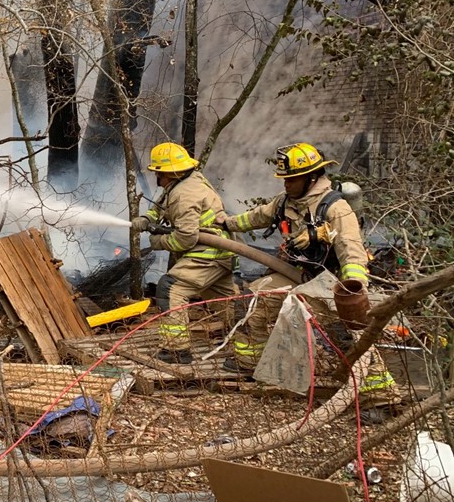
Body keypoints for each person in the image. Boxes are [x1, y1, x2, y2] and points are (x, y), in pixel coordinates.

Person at [219, 143, 400, 422]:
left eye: (292, 179)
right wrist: (226, 223)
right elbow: (255, 217)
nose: (287, 184)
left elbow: (351, 249)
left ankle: (381, 398)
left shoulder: (335, 207)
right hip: (300, 275)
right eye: (286, 179)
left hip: (333, 280)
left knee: (347, 333)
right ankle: (248, 361)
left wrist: (352, 285)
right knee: (254, 299)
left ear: (312, 177)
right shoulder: (285, 202)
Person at [132, 143, 238, 365]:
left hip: (207, 254)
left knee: (171, 288)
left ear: (172, 172)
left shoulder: (185, 194)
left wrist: (158, 241)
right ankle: (247, 343)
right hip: (220, 253)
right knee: (227, 301)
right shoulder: (186, 182)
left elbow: (186, 238)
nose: (157, 178)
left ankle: (177, 350)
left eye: (159, 173)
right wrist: (148, 219)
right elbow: (162, 206)